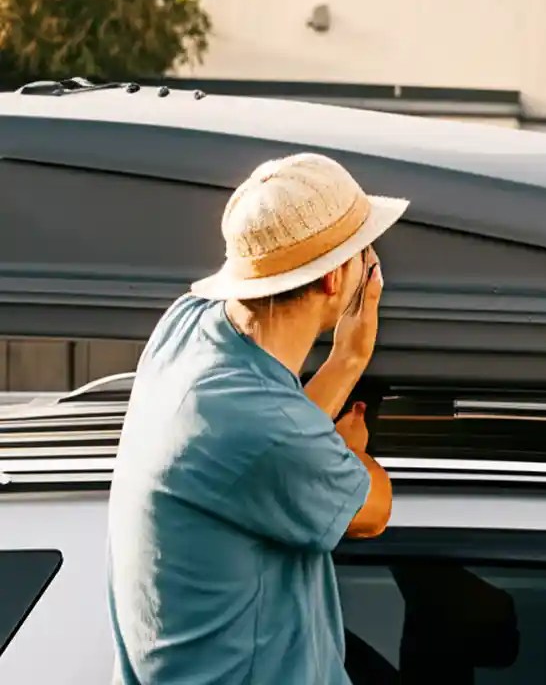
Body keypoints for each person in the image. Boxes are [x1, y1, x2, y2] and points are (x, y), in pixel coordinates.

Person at [106, 152, 409, 684]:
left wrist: (347, 361)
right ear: (336, 277)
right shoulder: (258, 424)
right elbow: (374, 509)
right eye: (365, 252)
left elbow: (259, 460)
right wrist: (348, 452)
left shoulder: (186, 329)